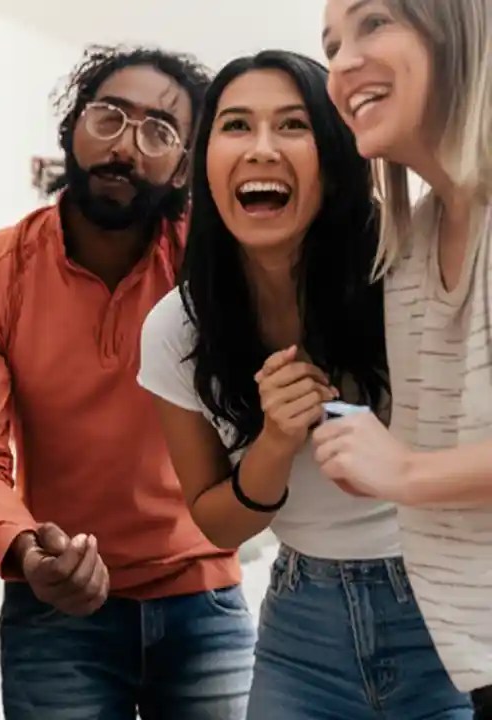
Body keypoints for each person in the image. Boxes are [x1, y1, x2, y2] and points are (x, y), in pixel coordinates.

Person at [139, 49, 473, 719]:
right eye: (236, 126)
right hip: (303, 625)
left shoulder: (411, 273)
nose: (261, 148)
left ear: (337, 151)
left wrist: (399, 465)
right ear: (205, 161)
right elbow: (218, 524)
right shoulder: (178, 327)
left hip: (445, 609)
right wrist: (274, 442)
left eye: (292, 125)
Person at [0, 44, 256, 719]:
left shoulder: (217, 269)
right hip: (56, 608)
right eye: (109, 116)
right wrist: (27, 552)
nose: (126, 146)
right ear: (71, 128)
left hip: (203, 598)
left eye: (160, 131)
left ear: (186, 165)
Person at [317, 0, 492, 713]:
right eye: (330, 45)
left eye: (374, 22)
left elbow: (416, 469)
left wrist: (408, 470)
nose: (343, 63)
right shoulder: (412, 243)